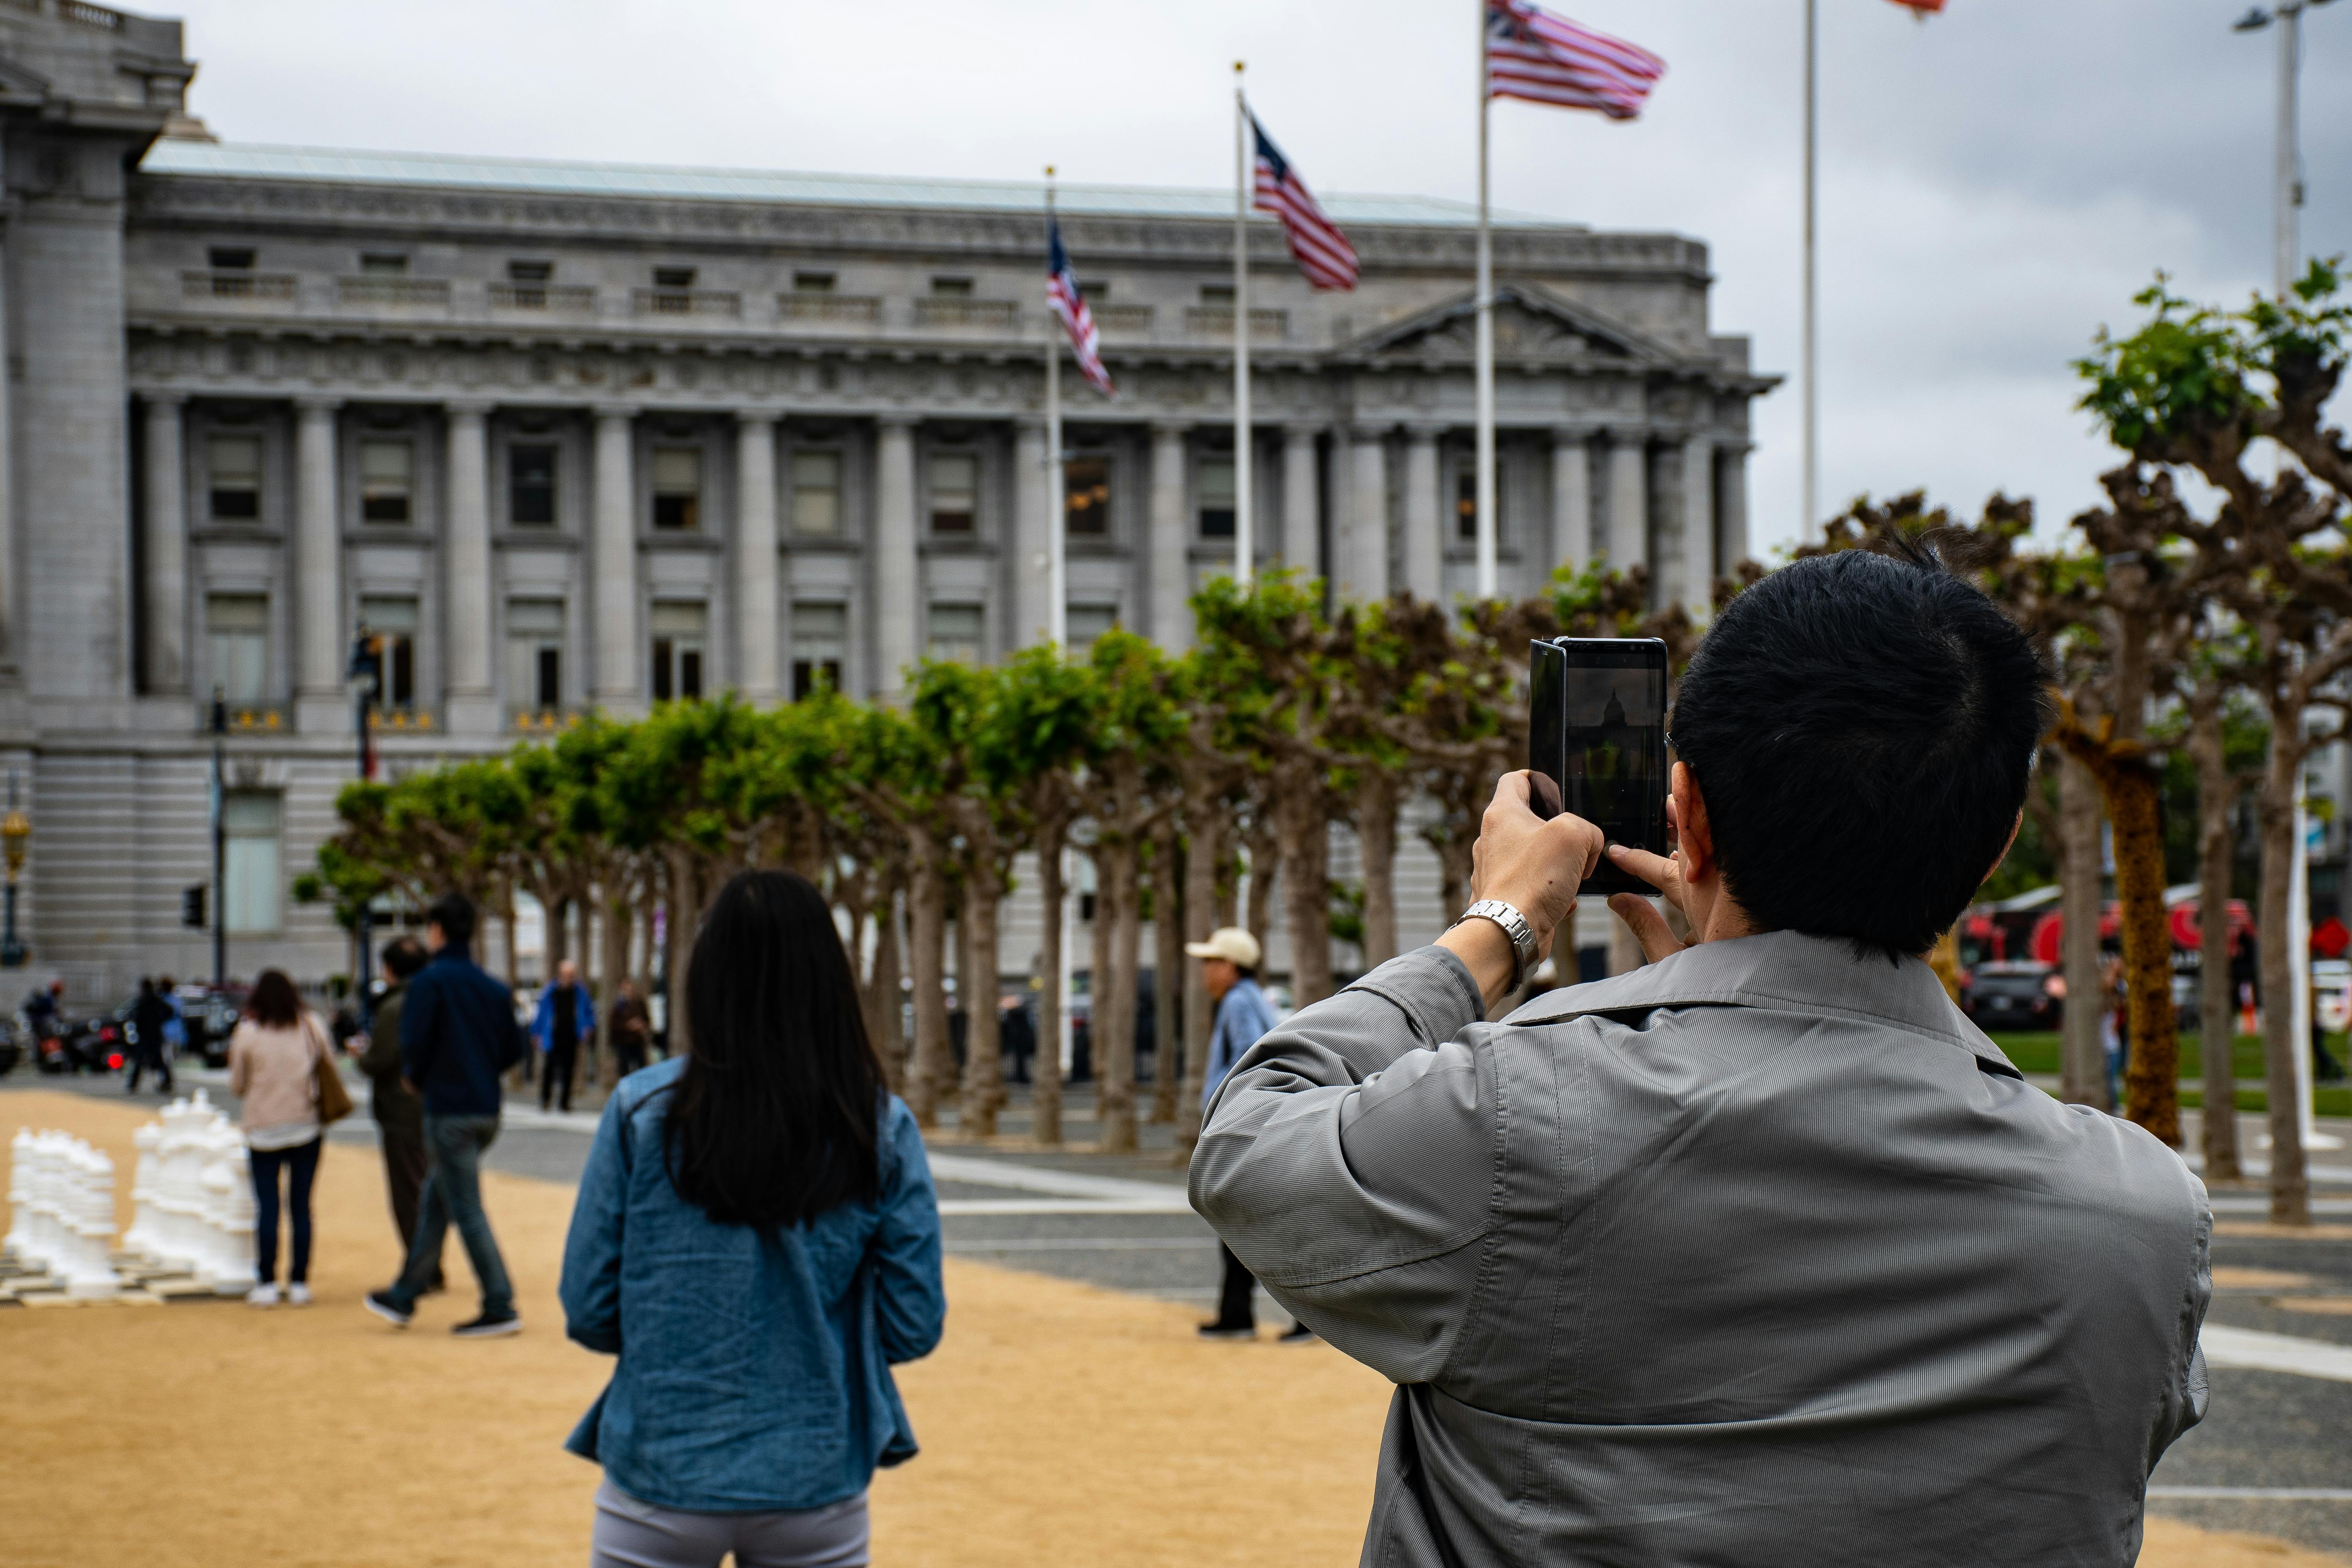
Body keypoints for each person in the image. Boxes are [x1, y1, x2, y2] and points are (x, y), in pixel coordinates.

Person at [1191, 545, 2210, 1567]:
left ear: (1684, 812)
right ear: (1995, 847)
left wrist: (1503, 921)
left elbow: (1247, 1142)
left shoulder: (1518, 1114)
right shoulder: (2143, 1219)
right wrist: (1724, 978)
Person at [561, 870, 944, 1568]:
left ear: (706, 978)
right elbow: (915, 1322)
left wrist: (667, 1338)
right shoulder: (879, 1123)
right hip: (813, 1471)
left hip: (661, 1462)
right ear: (830, 980)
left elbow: (587, 1306)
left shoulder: (639, 1112)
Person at [365, 892, 530, 1337]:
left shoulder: (429, 984)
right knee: (436, 1200)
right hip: (485, 1108)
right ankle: (405, 1292)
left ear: (436, 931)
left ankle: (500, 1302)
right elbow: (514, 1048)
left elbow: (414, 1043)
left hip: (448, 1108)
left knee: (465, 1209)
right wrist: (481, 1069)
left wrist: (416, 1077)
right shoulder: (493, 988)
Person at [1185, 927, 1307, 1345]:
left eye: (1211, 963)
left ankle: (1249, 1316)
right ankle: (1237, 1313)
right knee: (1249, 1222)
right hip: (1257, 1125)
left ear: (1229, 966)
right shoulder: (1252, 998)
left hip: (1243, 1128)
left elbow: (1246, 1060)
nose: (1205, 972)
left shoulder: (1237, 1002)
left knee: (1249, 1222)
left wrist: (1228, 1118)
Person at [227, 969, 332, 1308]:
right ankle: (300, 1282)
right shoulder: (310, 1025)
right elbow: (328, 1065)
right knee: (301, 1207)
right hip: (305, 1126)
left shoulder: (248, 1032)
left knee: (268, 1208)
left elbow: (237, 1084)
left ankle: (267, 1282)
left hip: (262, 1130)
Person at [352, 936, 442, 1293]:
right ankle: (429, 1264)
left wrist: (361, 1055)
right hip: (437, 1105)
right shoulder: (436, 998)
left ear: (389, 969)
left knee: (408, 1192)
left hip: (401, 1108)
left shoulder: (394, 1008)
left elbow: (379, 1060)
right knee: (430, 1187)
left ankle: (422, 1269)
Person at [533, 959, 598, 1114]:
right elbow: (541, 1014)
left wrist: (588, 1028)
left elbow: (589, 1013)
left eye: (571, 975)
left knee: (569, 1069)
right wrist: (536, 1033)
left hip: (571, 1036)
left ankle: (565, 1102)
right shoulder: (551, 991)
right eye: (566, 974)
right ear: (560, 974)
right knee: (550, 1068)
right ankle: (545, 1099)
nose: (568, 978)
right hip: (553, 1036)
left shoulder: (580, 992)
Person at [126, 976, 175, 1095]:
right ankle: (167, 1083)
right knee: (159, 1061)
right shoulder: (155, 1000)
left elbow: (134, 1016)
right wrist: (159, 1020)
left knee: (139, 1060)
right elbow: (170, 1011)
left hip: (145, 1036)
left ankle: (133, 1084)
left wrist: (140, 1026)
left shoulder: (142, 1001)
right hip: (155, 1035)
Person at [607, 979, 653, 1079]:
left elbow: (647, 1020)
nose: (629, 992)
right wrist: (628, 1026)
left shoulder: (639, 1004)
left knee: (642, 1069)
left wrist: (641, 1025)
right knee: (624, 1070)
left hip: (638, 1041)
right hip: (623, 1043)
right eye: (626, 990)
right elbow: (613, 1026)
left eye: (631, 990)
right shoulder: (618, 1006)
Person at [999, 992, 1036, 1086]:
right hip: (1017, 1040)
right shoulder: (1014, 1015)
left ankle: (1021, 1076)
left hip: (1019, 1040)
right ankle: (1019, 1076)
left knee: (1020, 1060)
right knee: (1016, 1060)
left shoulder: (1016, 1014)